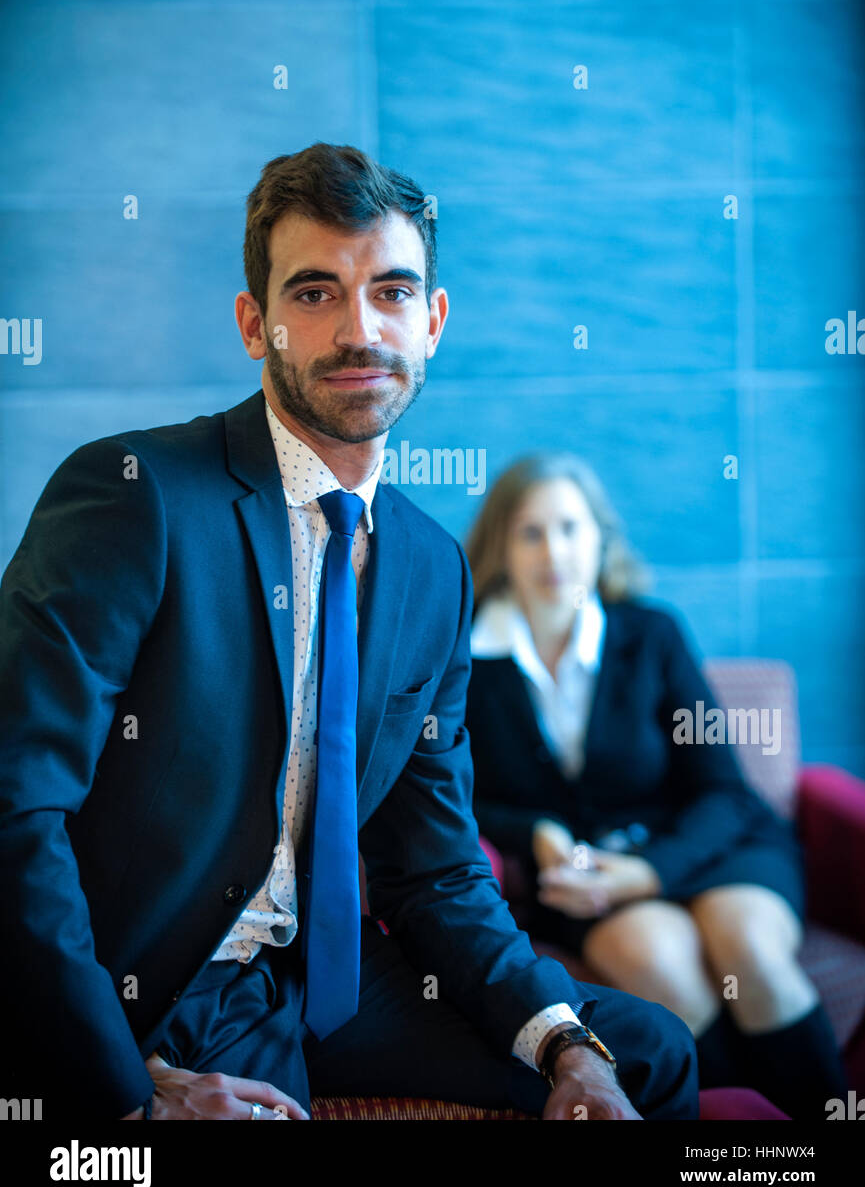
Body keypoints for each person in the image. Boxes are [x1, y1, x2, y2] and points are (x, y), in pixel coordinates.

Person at [0, 143, 697, 1123]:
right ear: (256, 323)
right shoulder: (135, 498)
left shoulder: (429, 566)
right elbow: (15, 810)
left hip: (319, 985)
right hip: (145, 989)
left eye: (393, 292)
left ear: (433, 322)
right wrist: (123, 1092)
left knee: (646, 1054)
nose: (359, 329)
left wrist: (561, 1042)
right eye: (317, 292)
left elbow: (439, 863)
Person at [463, 452, 849, 1120]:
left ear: (599, 539)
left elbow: (723, 790)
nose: (553, 550)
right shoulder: (468, 658)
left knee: (748, 947)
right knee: (658, 961)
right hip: (589, 878)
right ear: (500, 544)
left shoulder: (651, 633)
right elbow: (455, 795)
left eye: (569, 528)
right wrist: (538, 834)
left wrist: (645, 873)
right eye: (530, 532)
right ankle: (748, 1136)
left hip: (714, 847)